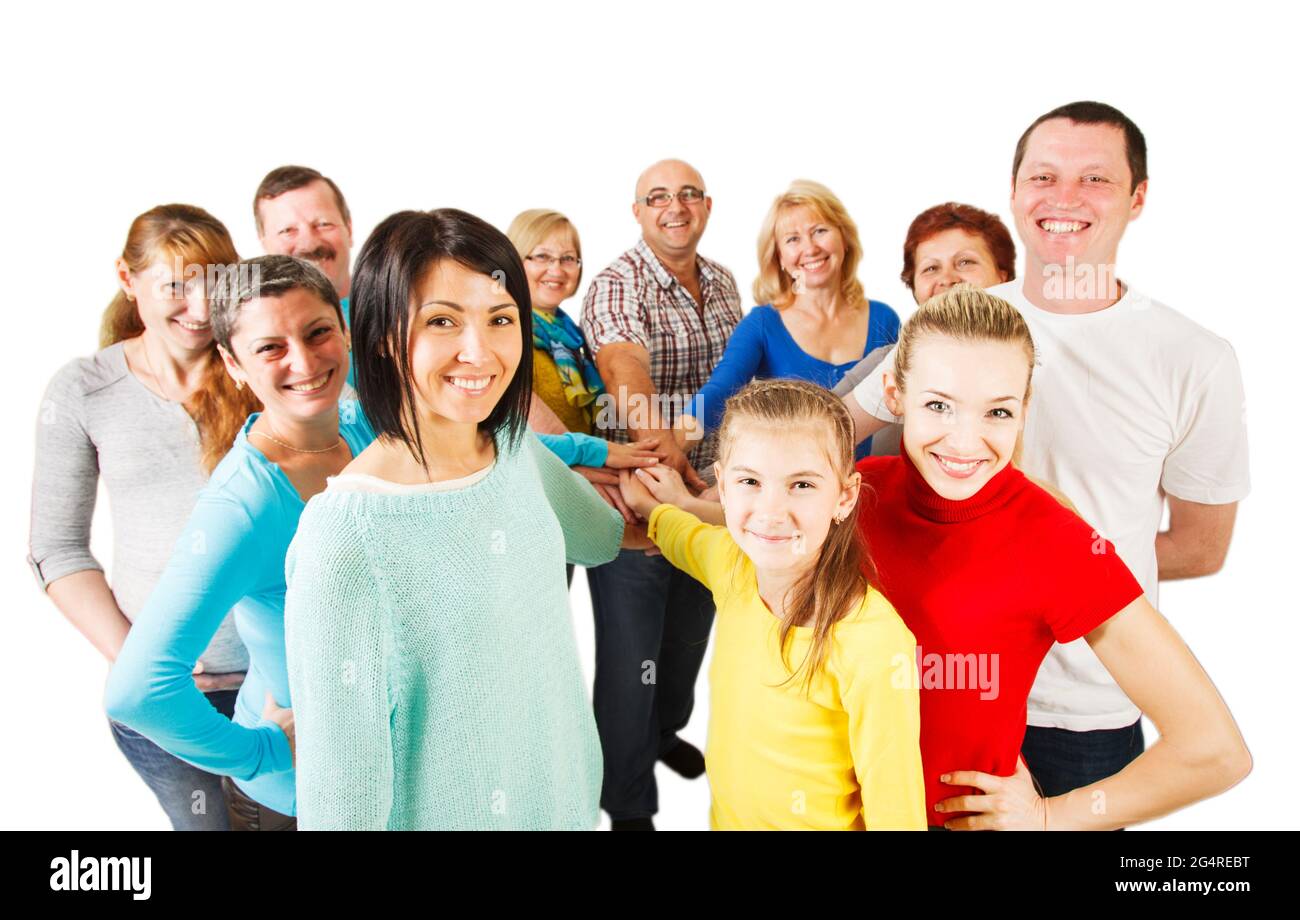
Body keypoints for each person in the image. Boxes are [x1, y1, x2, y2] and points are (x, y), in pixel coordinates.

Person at [844, 102, 1250, 799]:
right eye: (1044, 176)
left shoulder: (1196, 360)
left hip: (1083, 715)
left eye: (1094, 179)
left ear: (1138, 198)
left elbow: (1200, 548)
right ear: (1014, 191)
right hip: (928, 684)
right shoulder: (952, 325)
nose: (1064, 199)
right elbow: (824, 439)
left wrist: (1059, 578)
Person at [283, 208, 649, 830]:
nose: (479, 351)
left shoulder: (510, 447)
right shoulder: (344, 537)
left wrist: (725, 511)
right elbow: (340, 804)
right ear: (380, 336)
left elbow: (601, 535)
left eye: (501, 319)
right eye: (442, 321)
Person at [853, 285, 1250, 829]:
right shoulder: (853, 496)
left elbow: (1214, 751)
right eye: (939, 405)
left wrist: (1046, 818)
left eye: (997, 411)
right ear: (894, 396)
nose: (966, 441)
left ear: (1024, 409)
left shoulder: (1052, 538)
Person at [104, 255, 368, 831]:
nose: (304, 361)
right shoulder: (242, 505)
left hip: (382, 773)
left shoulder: (359, 425)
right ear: (233, 363)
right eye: (271, 348)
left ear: (344, 328)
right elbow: (137, 689)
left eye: (318, 331)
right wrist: (261, 753)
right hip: (303, 796)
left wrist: (587, 453)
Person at [29, 204, 258, 830]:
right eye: (176, 285)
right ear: (128, 281)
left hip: (278, 682)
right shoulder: (84, 389)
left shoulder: (262, 368)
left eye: (215, 280)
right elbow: (56, 548)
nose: (200, 305)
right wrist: (139, 661)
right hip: (163, 700)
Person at [617, 379, 926, 830]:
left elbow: (895, 809)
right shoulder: (730, 563)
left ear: (844, 496)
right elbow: (682, 535)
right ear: (722, 486)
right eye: (750, 481)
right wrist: (651, 504)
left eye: (801, 484)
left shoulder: (875, 641)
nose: (771, 511)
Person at [579, 158, 743, 829]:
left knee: (685, 647)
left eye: (688, 195)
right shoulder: (619, 283)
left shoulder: (726, 282)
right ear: (637, 211)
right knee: (630, 661)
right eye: (657, 198)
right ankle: (626, 801)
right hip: (638, 503)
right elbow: (625, 367)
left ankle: (664, 732)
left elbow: (738, 379)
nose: (674, 207)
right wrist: (660, 443)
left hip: (711, 502)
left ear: (706, 205)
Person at [678, 180, 899, 459]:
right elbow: (720, 392)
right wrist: (671, 448)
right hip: (792, 485)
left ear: (844, 239)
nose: (810, 248)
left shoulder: (885, 318)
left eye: (819, 231)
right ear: (779, 257)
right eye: (793, 239)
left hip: (871, 486)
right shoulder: (763, 324)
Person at [507, 208, 666, 569]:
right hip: (534, 494)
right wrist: (602, 478)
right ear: (515, 260)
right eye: (542, 257)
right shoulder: (506, 329)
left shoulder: (568, 335)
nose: (557, 269)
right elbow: (534, 431)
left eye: (568, 258)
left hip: (568, 491)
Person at [832, 202, 1015, 400]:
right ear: (915, 287)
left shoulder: (1037, 354)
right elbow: (810, 421)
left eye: (965, 262)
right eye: (931, 268)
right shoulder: (885, 362)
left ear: (1002, 276)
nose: (947, 279)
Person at [255, 165, 357, 389]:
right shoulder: (253, 331)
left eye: (323, 224)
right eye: (287, 230)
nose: (309, 244)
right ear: (264, 243)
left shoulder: (398, 309)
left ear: (348, 229)